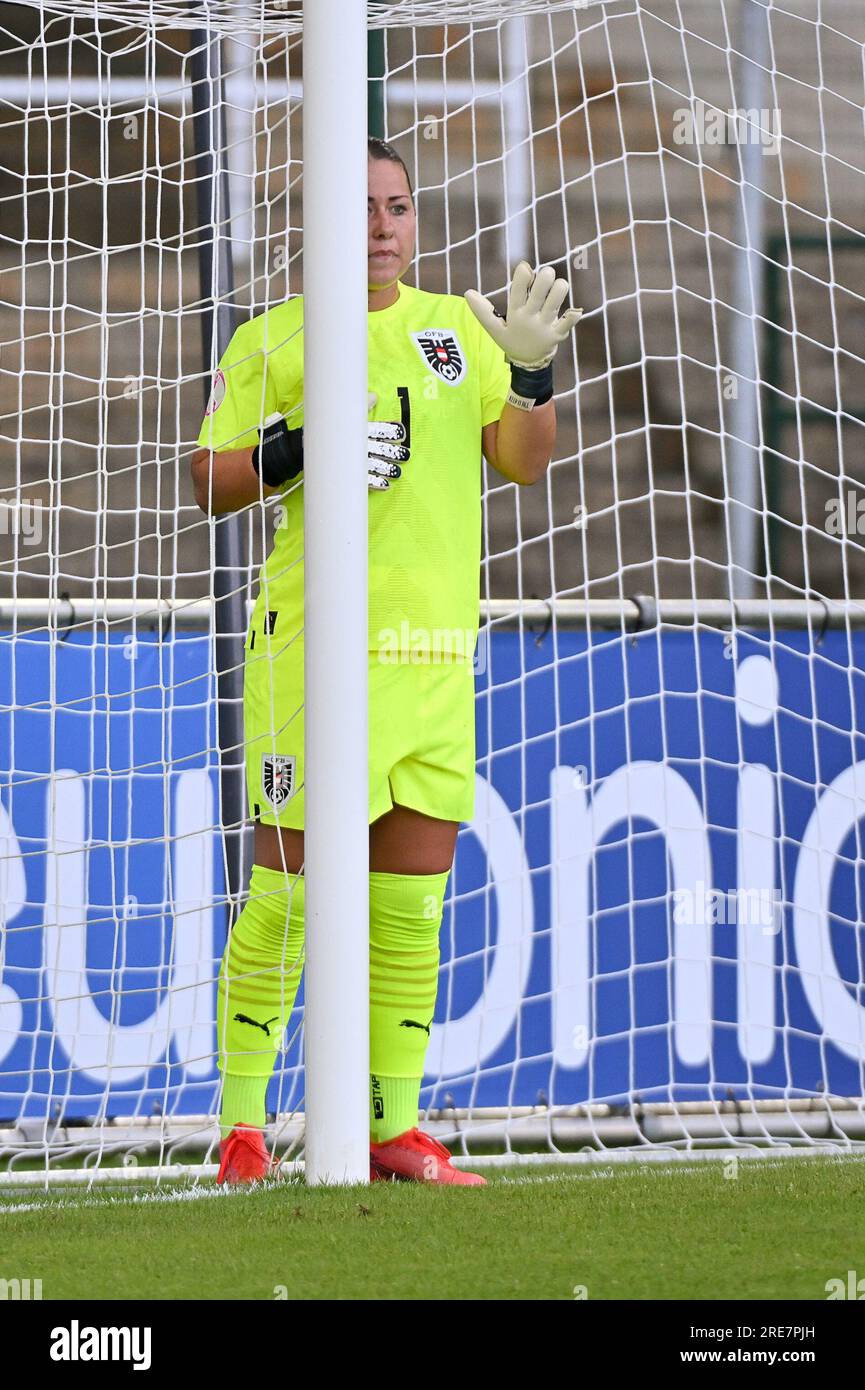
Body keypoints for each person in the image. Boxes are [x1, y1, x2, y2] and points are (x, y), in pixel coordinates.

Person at [191, 136, 580, 1186]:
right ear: (312, 218)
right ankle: (240, 1125)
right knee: (291, 894)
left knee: (409, 903)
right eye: (358, 206)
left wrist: (536, 372)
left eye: (397, 206)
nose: (379, 225)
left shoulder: (458, 330)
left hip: (433, 656)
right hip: (313, 657)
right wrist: (300, 444)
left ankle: (390, 1126)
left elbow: (522, 462)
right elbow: (210, 482)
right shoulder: (271, 338)